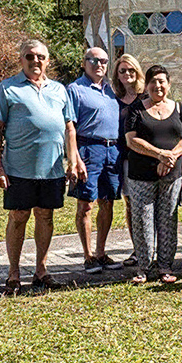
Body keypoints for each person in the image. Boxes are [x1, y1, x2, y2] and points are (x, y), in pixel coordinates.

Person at [0, 39, 81, 295]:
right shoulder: (7, 89)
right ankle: (14, 273)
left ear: (48, 60)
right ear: (21, 60)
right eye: (29, 56)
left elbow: (69, 128)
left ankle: (41, 271)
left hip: (51, 170)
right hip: (18, 169)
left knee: (45, 216)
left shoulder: (60, 90)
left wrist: (72, 162)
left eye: (41, 56)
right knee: (19, 217)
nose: (35, 60)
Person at [125, 65, 182, 284]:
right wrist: (159, 155)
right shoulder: (136, 109)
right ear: (147, 85)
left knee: (167, 220)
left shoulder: (179, 109)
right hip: (142, 176)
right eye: (153, 82)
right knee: (142, 220)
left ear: (169, 84)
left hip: (172, 177)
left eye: (162, 81)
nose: (158, 86)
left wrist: (170, 157)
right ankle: (143, 267)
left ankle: (165, 266)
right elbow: (132, 140)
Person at [67, 47, 123, 273]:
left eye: (103, 61)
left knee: (107, 201)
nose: (98, 64)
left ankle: (101, 252)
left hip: (113, 149)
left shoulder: (111, 90)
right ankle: (88, 255)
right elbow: (69, 126)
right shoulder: (75, 89)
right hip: (88, 149)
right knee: (86, 204)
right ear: (84, 63)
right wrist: (75, 158)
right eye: (93, 60)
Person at [111, 53, 145, 268]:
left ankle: (153, 246)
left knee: (147, 204)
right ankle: (137, 249)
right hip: (123, 157)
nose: (127, 74)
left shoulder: (145, 98)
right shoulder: (112, 99)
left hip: (144, 158)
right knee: (131, 205)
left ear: (137, 72)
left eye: (131, 70)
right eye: (122, 71)